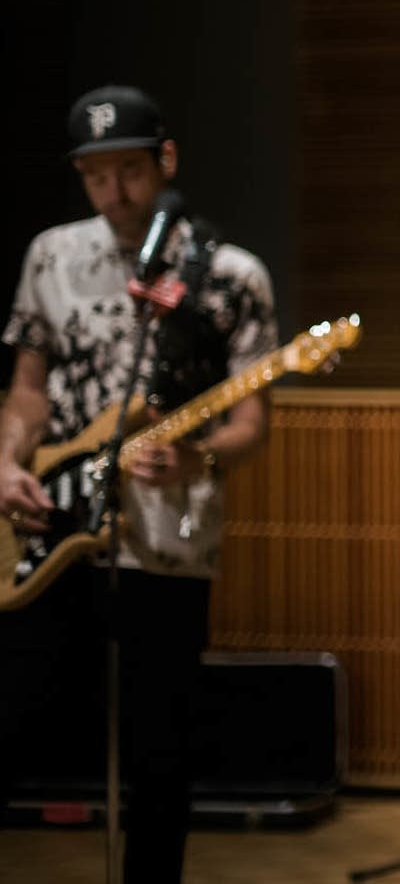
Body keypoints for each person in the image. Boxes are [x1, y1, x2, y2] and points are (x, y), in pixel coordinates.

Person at [0, 85, 277, 882]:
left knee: (162, 749)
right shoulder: (51, 254)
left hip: (168, 536)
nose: (113, 193)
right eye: (95, 177)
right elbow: (28, 383)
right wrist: (11, 459)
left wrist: (200, 456)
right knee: (17, 713)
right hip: (50, 517)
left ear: (166, 160)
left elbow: (252, 421)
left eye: (128, 171)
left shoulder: (230, 275)